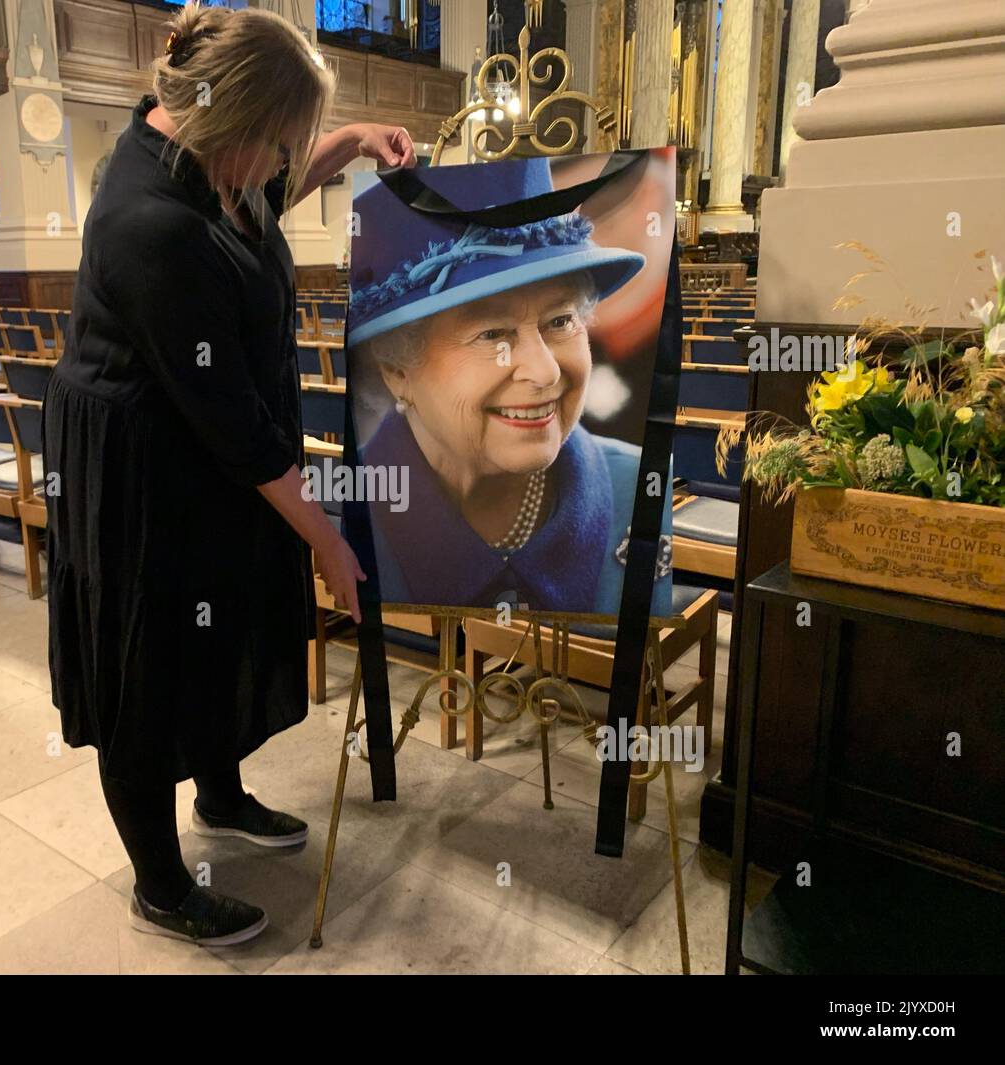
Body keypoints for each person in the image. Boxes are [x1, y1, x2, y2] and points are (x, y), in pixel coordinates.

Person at [43, 2, 415, 947]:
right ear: (232, 126)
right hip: (148, 470)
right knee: (148, 658)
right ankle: (161, 884)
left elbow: (271, 193)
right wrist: (327, 538)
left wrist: (354, 141)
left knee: (214, 627)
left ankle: (218, 793)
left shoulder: (197, 156)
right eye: (284, 140)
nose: (292, 160)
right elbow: (238, 430)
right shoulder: (151, 226)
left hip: (200, 446)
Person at [346, 156, 674, 616]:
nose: (545, 373)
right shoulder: (346, 515)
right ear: (398, 370)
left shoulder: (642, 490)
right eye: (492, 333)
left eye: (561, 320)